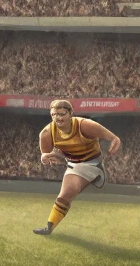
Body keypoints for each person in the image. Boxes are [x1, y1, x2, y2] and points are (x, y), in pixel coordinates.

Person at [31, 100, 121, 236]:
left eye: (62, 114)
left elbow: (113, 138)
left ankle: (98, 173)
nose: (58, 118)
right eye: (54, 114)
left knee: (68, 192)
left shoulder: (84, 125)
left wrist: (115, 141)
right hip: (73, 164)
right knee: (64, 196)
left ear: (70, 114)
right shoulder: (46, 133)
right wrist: (45, 158)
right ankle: (49, 227)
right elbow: (45, 155)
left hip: (91, 163)